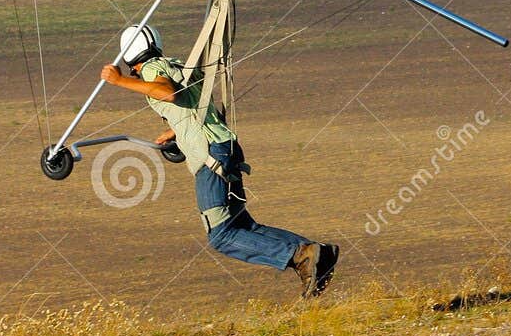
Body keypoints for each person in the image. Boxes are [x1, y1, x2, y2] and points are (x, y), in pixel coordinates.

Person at [99, 23, 338, 297]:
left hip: (210, 153)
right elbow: (192, 105)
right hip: (225, 146)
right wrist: (176, 131)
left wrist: (119, 81)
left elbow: (168, 93)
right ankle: (316, 254)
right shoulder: (173, 65)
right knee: (242, 225)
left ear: (129, 55)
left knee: (221, 235)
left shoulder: (152, 70)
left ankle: (302, 256)